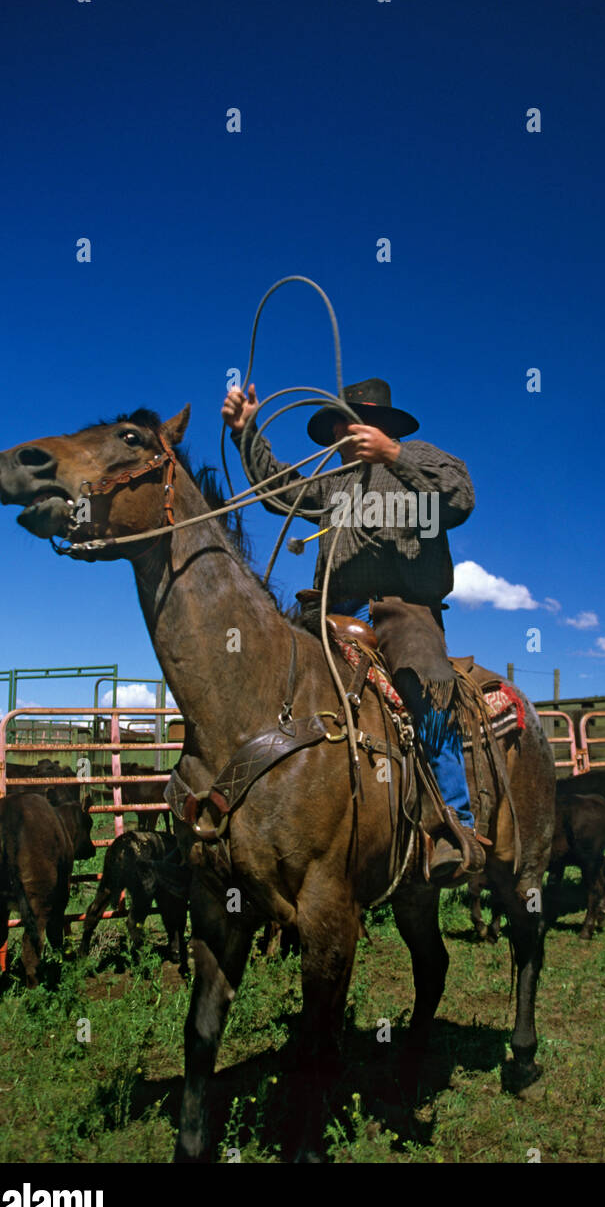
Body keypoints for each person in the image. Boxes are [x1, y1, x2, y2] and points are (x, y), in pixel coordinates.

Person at [221, 377, 484, 882]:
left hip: (404, 609)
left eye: (356, 420)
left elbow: (462, 498)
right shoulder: (330, 482)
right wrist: (245, 431)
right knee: (275, 672)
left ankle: (455, 823)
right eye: (341, 422)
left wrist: (394, 455)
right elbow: (277, 490)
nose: (346, 431)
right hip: (328, 609)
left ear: (380, 425)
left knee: (425, 683)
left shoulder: (420, 460)